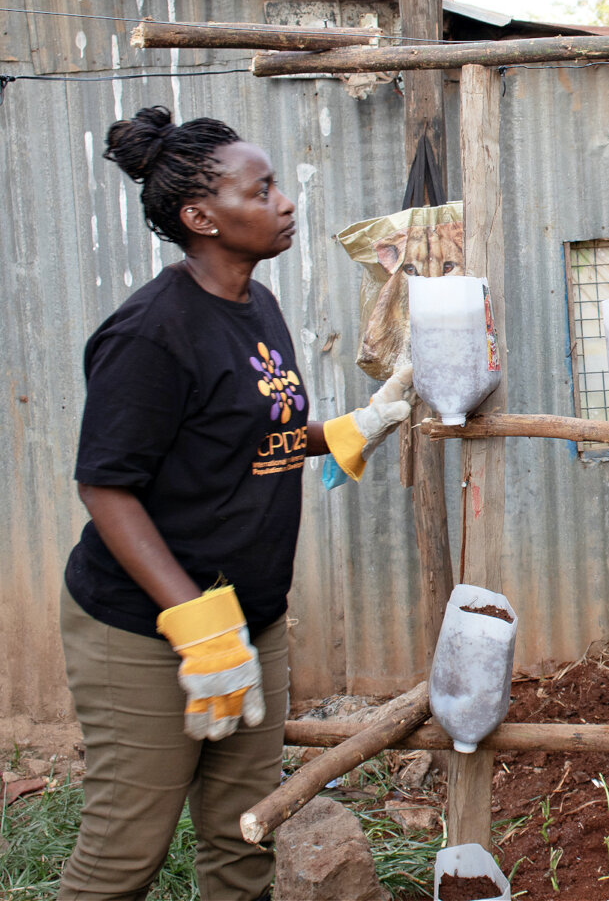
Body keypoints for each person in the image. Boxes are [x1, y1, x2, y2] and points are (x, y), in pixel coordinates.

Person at [59, 105, 412, 901]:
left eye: (277, 186)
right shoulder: (151, 332)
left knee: (244, 834)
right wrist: (196, 626)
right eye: (262, 190)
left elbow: (256, 438)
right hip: (144, 630)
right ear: (201, 217)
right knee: (127, 852)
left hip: (253, 618)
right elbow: (105, 484)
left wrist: (359, 425)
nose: (284, 202)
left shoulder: (256, 306)